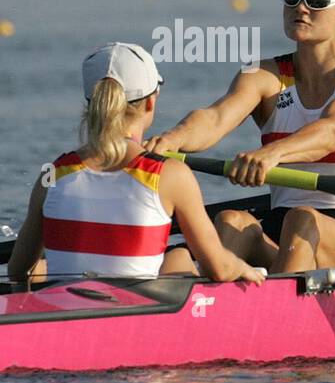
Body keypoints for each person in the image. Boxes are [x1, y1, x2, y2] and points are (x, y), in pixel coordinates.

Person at [145, 0, 335, 272]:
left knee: (302, 219)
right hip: (281, 231)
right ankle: (199, 307)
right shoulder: (264, 75)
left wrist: (273, 154)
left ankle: (269, 312)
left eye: (316, 1)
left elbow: (332, 131)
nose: (300, 8)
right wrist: (171, 139)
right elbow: (215, 118)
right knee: (232, 220)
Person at [8, 43, 264, 286]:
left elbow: (18, 271)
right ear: (151, 102)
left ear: (91, 104)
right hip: (138, 313)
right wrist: (243, 268)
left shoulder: (52, 173)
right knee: (180, 257)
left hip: (63, 308)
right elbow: (219, 269)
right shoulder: (171, 175)